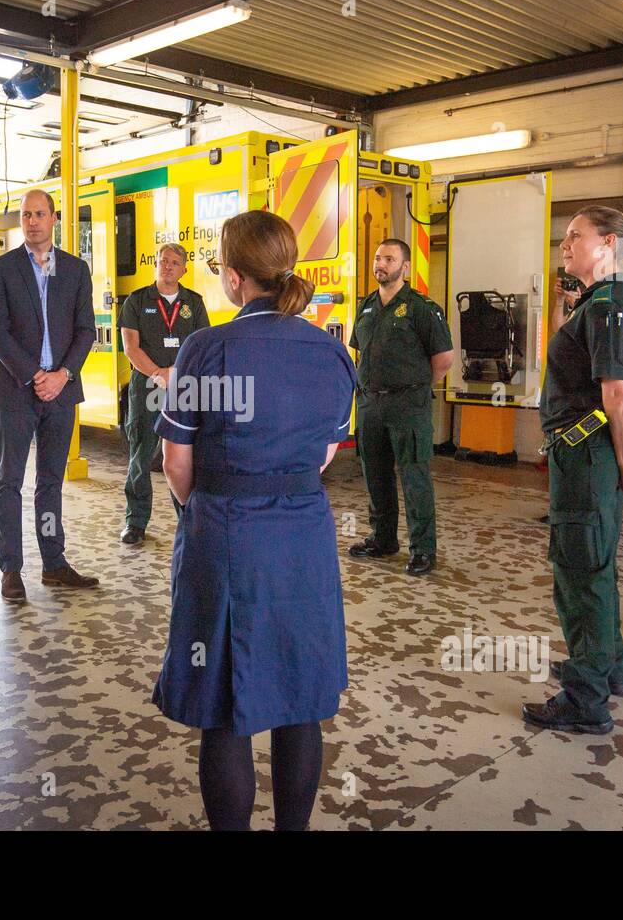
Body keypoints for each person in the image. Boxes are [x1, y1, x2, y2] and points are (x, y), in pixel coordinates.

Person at [153, 210, 356, 831]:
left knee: (223, 703)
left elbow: (176, 462)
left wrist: (209, 509)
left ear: (236, 279)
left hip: (225, 536)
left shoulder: (203, 349)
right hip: (304, 538)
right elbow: (324, 454)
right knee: (301, 700)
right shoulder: (330, 351)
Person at [523, 206, 623, 736]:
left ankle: (585, 698)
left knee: (581, 576)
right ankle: (606, 666)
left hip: (586, 457)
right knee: (599, 566)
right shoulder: (605, 303)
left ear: (610, 244)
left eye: (577, 236)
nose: (565, 243)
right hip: (593, 454)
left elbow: (619, 392)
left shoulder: (608, 307)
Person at [0, 189, 99, 602]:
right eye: (26, 215)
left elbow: (87, 329)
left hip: (62, 393)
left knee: (50, 482)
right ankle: (11, 569)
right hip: (17, 392)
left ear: (54, 218)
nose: (32, 221)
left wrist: (62, 375)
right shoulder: (0, 269)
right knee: (9, 481)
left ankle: (53, 563)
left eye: (39, 214)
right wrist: (36, 375)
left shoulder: (76, 270)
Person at [347, 239, 454, 575]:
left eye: (389, 259)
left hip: (408, 405)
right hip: (370, 405)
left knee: (414, 479)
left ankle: (423, 550)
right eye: (378, 258)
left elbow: (444, 359)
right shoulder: (366, 307)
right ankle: (382, 539)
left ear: (405, 267)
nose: (381, 264)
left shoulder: (422, 308)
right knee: (375, 475)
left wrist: (415, 387)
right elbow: (360, 351)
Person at [118, 242, 210, 544]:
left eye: (173, 262)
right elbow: (131, 348)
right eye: (162, 261)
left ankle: (188, 519)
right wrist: (159, 373)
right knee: (141, 454)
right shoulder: (137, 301)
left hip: (183, 388)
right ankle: (135, 521)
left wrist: (176, 375)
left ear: (184, 269)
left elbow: (200, 347)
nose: (167, 266)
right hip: (146, 385)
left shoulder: (193, 303)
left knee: (183, 455)